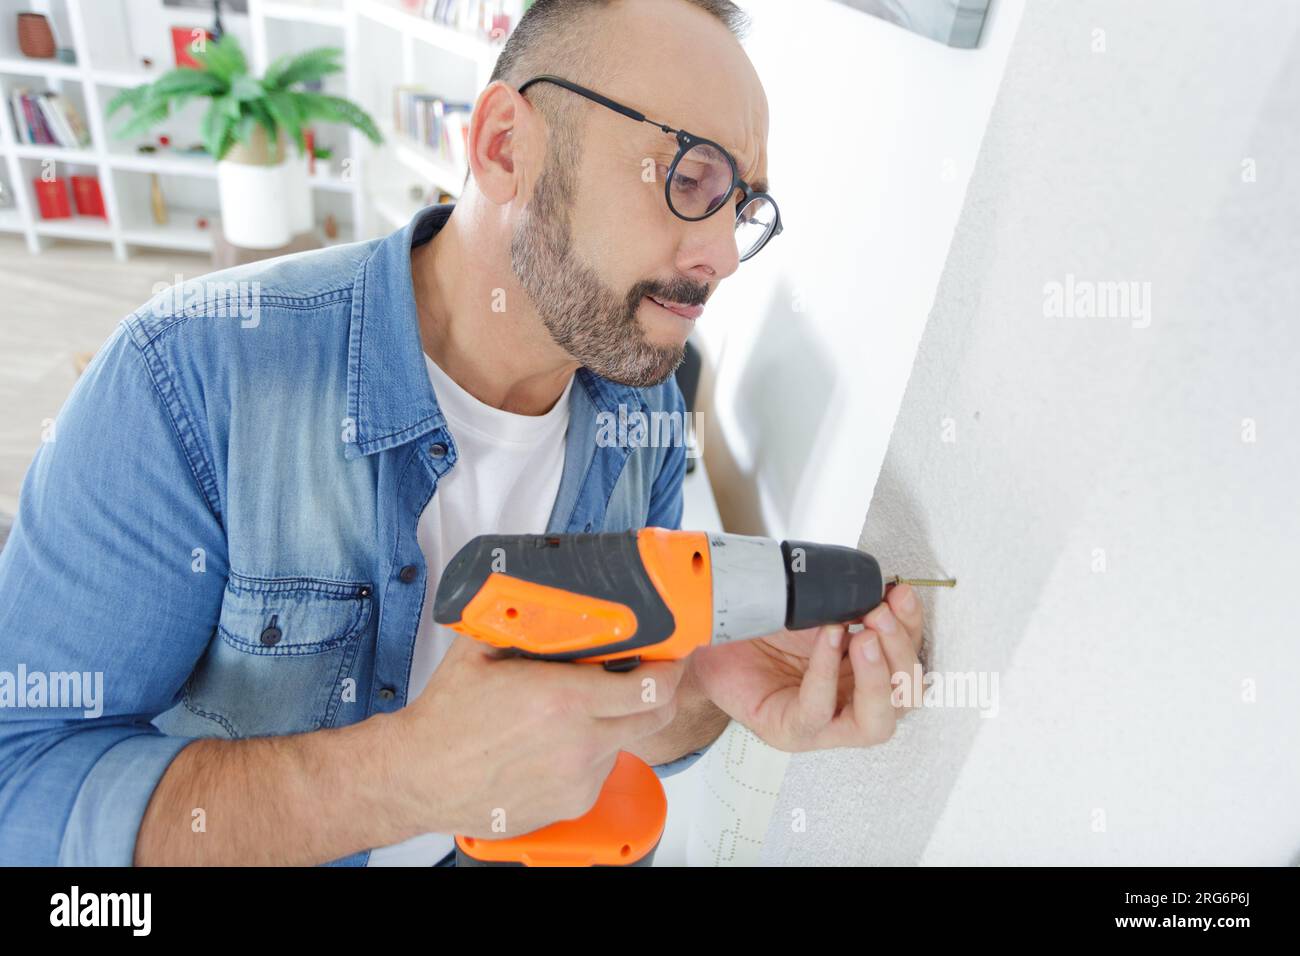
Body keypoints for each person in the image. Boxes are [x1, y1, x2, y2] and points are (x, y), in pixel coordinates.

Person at [0, 0, 924, 866]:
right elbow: (19, 794)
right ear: (502, 146)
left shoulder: (639, 406)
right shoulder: (191, 373)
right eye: (689, 179)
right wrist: (403, 778)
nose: (721, 255)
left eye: (741, 207)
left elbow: (611, 718)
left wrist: (704, 682)